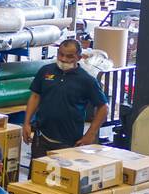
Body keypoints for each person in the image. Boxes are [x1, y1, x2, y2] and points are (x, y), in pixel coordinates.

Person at [23, 38, 109, 167]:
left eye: (69, 56)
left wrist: (90, 134)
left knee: (62, 180)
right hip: (42, 138)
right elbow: (35, 96)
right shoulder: (46, 71)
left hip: (69, 142)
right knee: (36, 176)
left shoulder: (86, 80)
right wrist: (27, 122)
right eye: (61, 54)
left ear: (79, 57)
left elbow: (103, 107)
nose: (63, 59)